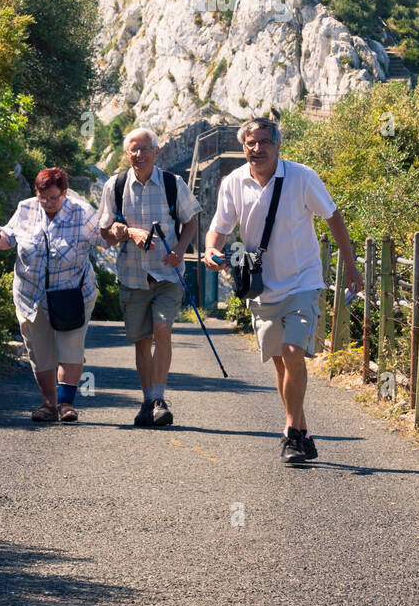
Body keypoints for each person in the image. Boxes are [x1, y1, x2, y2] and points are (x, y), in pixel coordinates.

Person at [203, 116, 361, 465]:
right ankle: (303, 433)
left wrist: (350, 267)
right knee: (279, 362)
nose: (257, 149)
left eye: (264, 142)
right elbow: (218, 228)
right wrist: (210, 250)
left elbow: (333, 217)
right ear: (243, 146)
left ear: (277, 146)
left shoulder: (301, 177)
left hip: (302, 281)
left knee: (292, 352)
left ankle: (289, 432)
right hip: (262, 287)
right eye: (250, 143)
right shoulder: (233, 182)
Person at [97, 128, 201, 428]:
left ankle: (158, 398)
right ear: (126, 153)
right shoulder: (114, 186)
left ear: (156, 152)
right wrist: (125, 232)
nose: (139, 155)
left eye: (145, 149)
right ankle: (147, 401)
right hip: (132, 276)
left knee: (162, 328)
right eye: (133, 149)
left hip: (167, 274)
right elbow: (104, 232)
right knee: (141, 341)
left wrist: (180, 250)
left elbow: (190, 220)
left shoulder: (173, 183)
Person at [0, 167, 102, 423]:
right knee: (39, 351)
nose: (48, 203)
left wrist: (118, 232)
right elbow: (9, 239)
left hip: (72, 293)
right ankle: (49, 405)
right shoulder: (26, 208)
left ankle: (66, 404)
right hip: (30, 293)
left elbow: (103, 239)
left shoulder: (82, 212)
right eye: (43, 197)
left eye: (54, 197)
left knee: (70, 348)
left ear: (65, 192)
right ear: (36, 193)